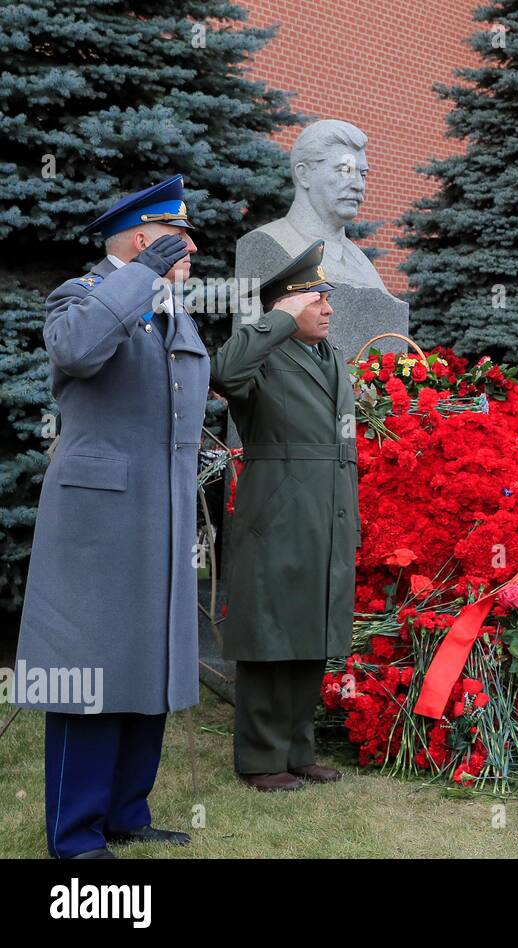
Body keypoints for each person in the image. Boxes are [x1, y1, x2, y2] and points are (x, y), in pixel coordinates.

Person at [16, 175, 208, 858]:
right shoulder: (87, 294)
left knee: (146, 663)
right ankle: (75, 834)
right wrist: (139, 278)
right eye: (173, 238)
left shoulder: (170, 310)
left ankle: (127, 810)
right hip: (98, 518)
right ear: (137, 239)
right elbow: (76, 350)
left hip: (161, 512)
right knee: (88, 668)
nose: (189, 248)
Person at [213, 241, 357, 792]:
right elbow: (225, 373)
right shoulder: (263, 353)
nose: (327, 309)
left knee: (312, 631)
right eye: (316, 299)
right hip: (277, 513)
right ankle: (261, 757)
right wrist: (274, 320)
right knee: (271, 634)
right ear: (287, 307)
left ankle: (299, 749)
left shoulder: (332, 357)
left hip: (328, 511)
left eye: (326, 299)